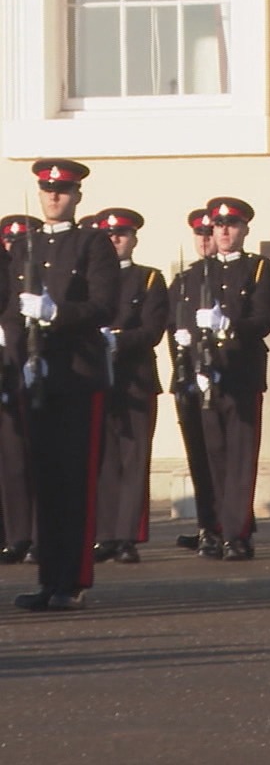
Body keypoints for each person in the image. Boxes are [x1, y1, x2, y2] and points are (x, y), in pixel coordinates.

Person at [2, 160, 116, 610]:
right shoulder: (22, 246)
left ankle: (74, 579)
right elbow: (12, 311)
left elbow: (104, 306)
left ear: (76, 196)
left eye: (63, 190)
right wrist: (19, 358)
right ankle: (49, 578)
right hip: (38, 377)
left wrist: (58, 313)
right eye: (48, 190)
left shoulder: (93, 243)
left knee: (75, 480)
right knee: (45, 481)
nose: (54, 196)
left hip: (78, 376)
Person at [172, 197, 270, 562]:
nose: (224, 232)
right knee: (213, 456)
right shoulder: (193, 275)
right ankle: (215, 529)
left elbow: (264, 318)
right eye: (219, 226)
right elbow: (179, 324)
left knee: (240, 458)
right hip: (206, 378)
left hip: (241, 373)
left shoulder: (258, 269)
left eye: (232, 225)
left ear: (245, 229)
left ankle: (238, 533)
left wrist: (229, 326)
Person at [88, 208, 168, 565]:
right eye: (108, 234)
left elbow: (152, 330)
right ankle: (105, 534)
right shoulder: (89, 280)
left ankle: (128, 536)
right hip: (97, 377)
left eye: (122, 234)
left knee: (134, 460)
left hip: (135, 379)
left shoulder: (148, 279)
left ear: (134, 239)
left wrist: (117, 340)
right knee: (104, 459)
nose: (115, 239)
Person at [168, 208, 220, 555]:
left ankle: (226, 526)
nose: (203, 240)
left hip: (217, 378)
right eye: (198, 234)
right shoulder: (184, 281)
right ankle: (206, 526)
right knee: (198, 458)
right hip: (188, 379)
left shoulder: (226, 275)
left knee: (222, 459)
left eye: (208, 233)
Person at [0, 214, 38, 563]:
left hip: (39, 370)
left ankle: (41, 534)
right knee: (11, 461)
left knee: (40, 458)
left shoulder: (40, 270)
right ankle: (17, 535)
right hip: (8, 372)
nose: (13, 247)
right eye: (8, 240)